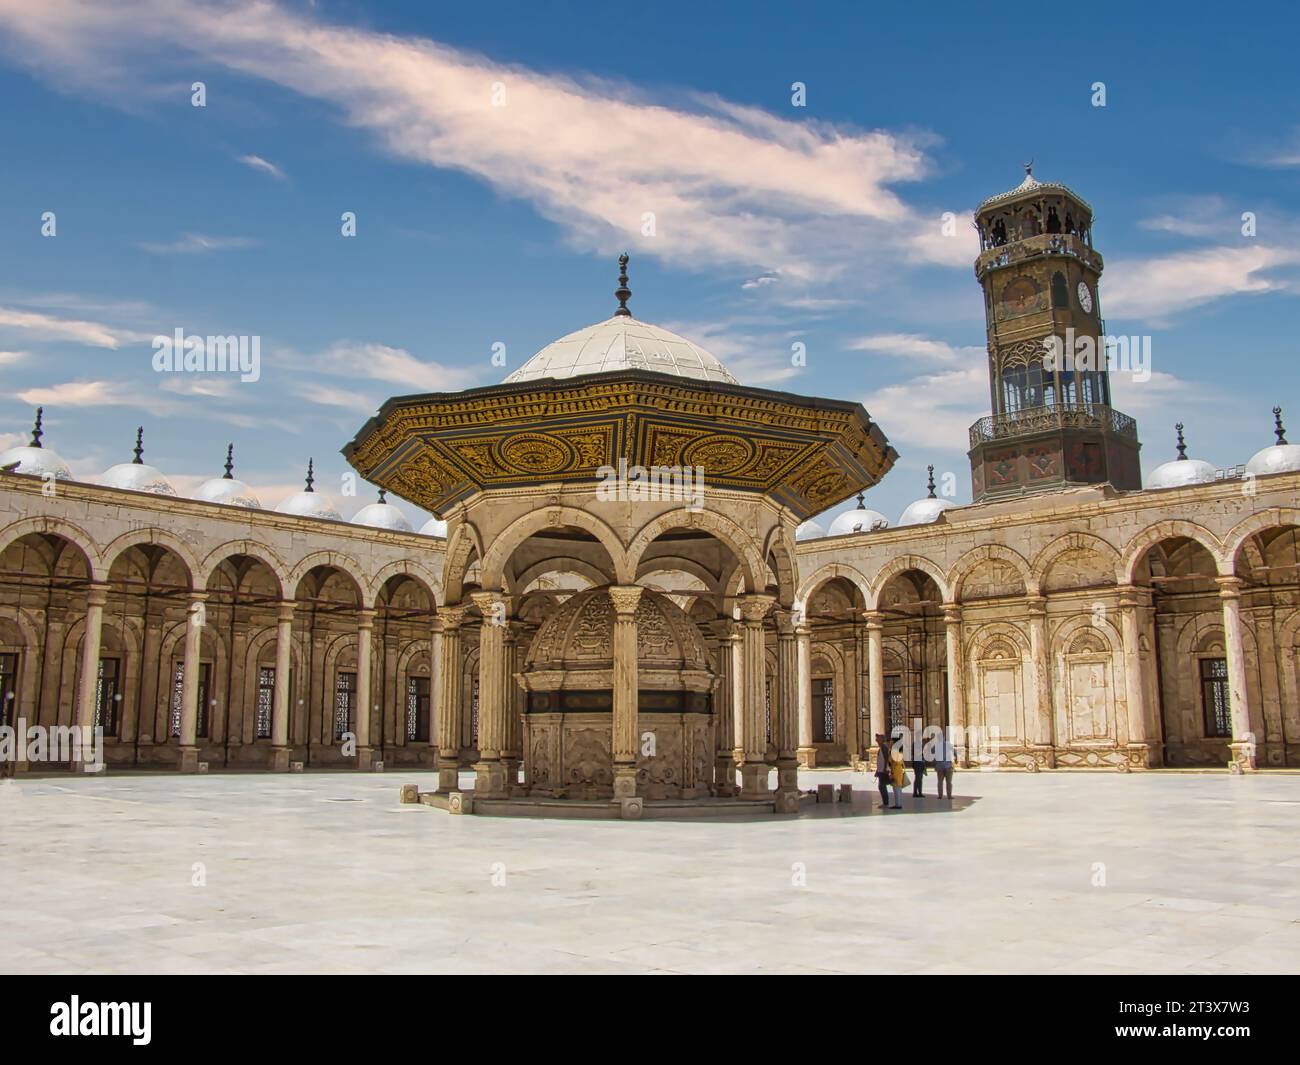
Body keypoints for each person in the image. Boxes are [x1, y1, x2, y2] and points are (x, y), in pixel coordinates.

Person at [874, 733, 892, 810]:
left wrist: (885, 769)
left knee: (882, 786)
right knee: (881, 786)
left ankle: (886, 803)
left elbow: (886, 758)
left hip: (883, 770)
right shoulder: (881, 747)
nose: (876, 740)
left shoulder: (884, 747)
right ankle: (885, 802)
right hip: (880, 770)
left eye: (878, 738)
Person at [936, 732, 956, 800]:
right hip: (948, 765)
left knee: (940, 782)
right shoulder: (948, 744)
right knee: (949, 782)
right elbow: (954, 751)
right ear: (944, 737)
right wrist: (955, 759)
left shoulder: (936, 745)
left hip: (939, 766)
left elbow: (932, 752)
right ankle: (949, 796)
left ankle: (940, 796)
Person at [888, 735, 906, 809]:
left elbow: (890, 760)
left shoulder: (894, 751)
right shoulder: (900, 750)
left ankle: (897, 804)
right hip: (900, 769)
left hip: (895, 770)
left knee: (896, 788)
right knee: (899, 788)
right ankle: (899, 803)